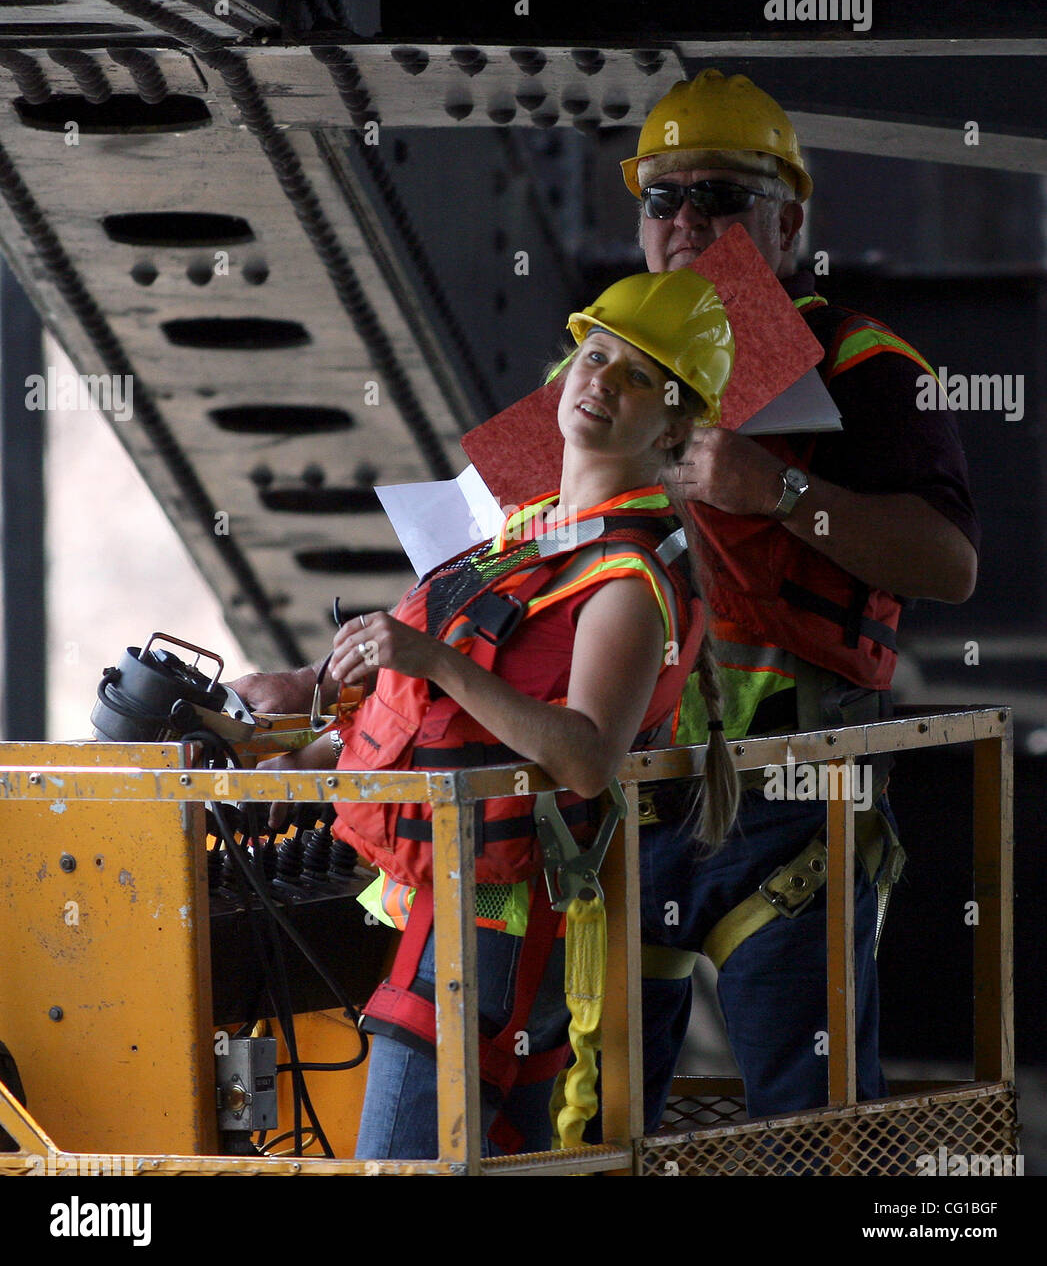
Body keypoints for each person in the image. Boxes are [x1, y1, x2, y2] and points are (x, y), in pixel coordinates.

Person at [255, 268, 739, 1158]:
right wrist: (313, 731)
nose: (601, 382)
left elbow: (587, 756)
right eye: (594, 356)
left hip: (502, 924)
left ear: (674, 426)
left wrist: (432, 657)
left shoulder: (625, 582)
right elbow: (442, 709)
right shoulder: (533, 533)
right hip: (452, 905)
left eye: (636, 376)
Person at [619, 69, 980, 1127]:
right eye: (662, 197)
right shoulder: (601, 368)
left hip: (789, 806)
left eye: (721, 196)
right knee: (593, 1124)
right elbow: (479, 553)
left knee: (807, 1135)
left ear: (789, 220)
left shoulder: (863, 365)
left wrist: (778, 493)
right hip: (624, 799)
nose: (685, 220)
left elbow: (949, 563)